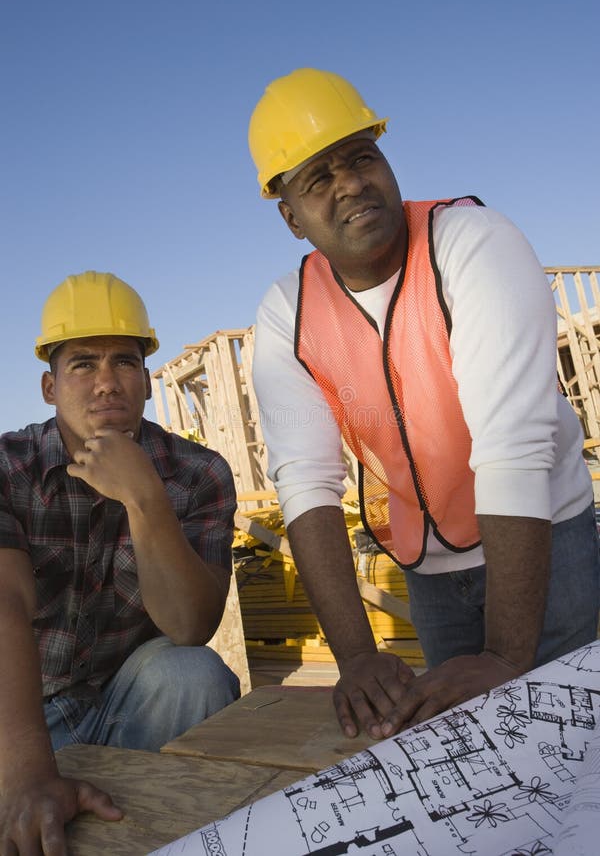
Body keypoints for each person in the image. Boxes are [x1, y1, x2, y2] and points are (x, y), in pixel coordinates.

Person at [249, 68, 600, 743]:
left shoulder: (472, 245)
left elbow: (513, 448)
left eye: (361, 157)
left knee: (563, 747)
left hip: (545, 544)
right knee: (472, 754)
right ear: (290, 215)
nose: (350, 182)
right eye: (318, 178)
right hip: (430, 573)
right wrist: (354, 656)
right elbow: (306, 485)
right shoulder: (285, 316)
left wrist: (504, 655)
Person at [0, 271, 240, 853]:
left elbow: (190, 626)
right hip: (24, 712)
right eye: (83, 364)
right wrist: (27, 773)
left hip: (127, 700)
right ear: (49, 387)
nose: (108, 383)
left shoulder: (198, 472)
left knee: (192, 672)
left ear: (148, 380)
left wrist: (144, 496)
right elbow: (5, 604)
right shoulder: (9, 466)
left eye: (125, 363)